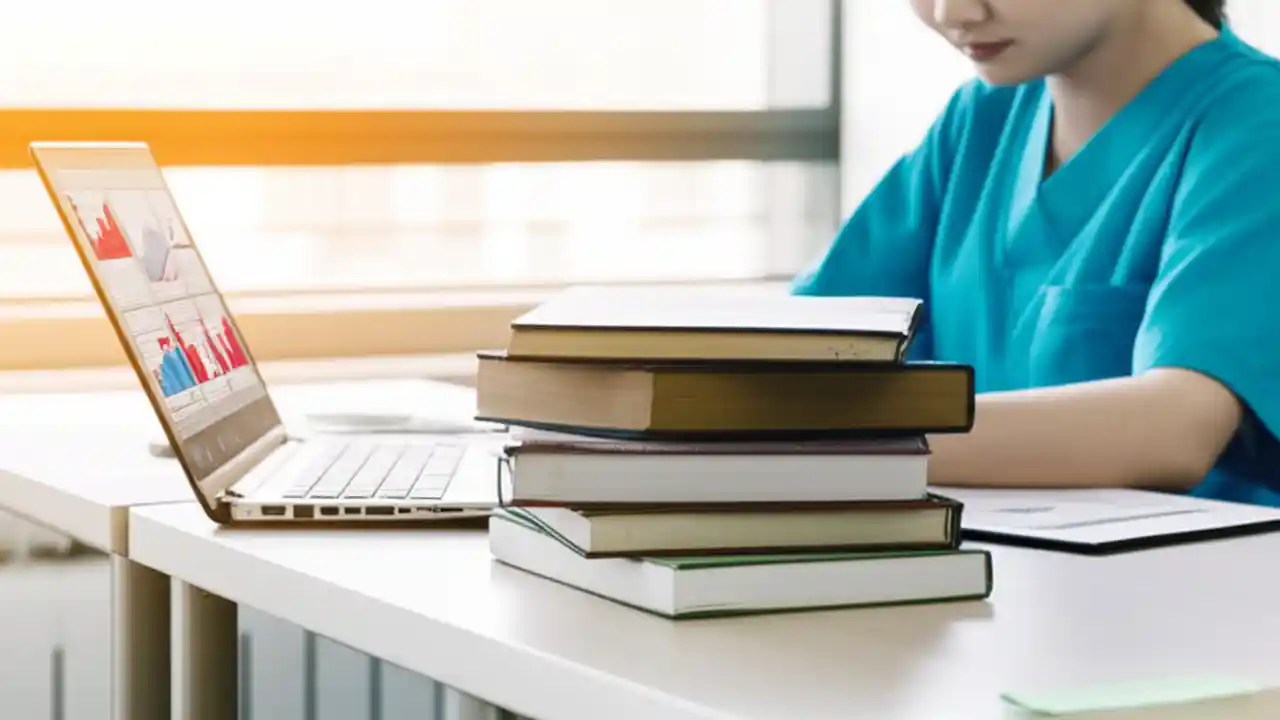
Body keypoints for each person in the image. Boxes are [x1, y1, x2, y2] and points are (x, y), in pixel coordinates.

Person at [794, 0, 1280, 504]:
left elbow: (1176, 428)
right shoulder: (981, 119)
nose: (952, 12)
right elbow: (798, 350)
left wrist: (817, 442)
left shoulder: (1258, 124)